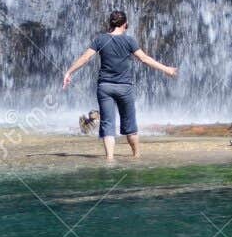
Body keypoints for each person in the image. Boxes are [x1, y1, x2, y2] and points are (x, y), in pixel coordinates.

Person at [62, 9, 177, 162]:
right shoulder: (129, 41)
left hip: (105, 87)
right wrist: (166, 69)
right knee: (130, 124)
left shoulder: (101, 39)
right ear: (125, 25)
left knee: (107, 124)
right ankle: (136, 156)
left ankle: (109, 159)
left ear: (110, 24)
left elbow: (85, 57)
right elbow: (144, 59)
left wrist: (69, 72)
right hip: (124, 87)